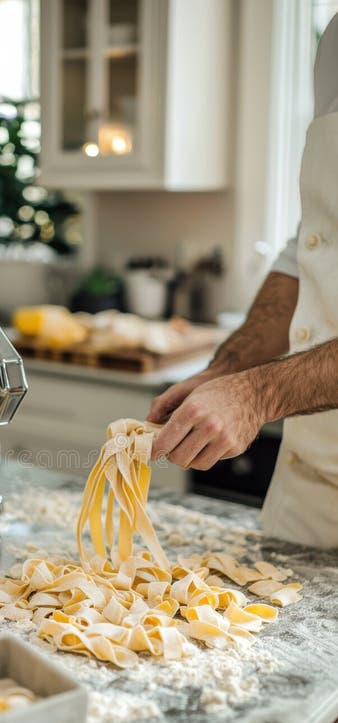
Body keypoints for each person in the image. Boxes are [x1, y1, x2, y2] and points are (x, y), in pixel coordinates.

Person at [147, 14, 338, 549]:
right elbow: (310, 246)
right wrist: (225, 371)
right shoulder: (335, 40)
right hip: (311, 489)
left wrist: (256, 394)